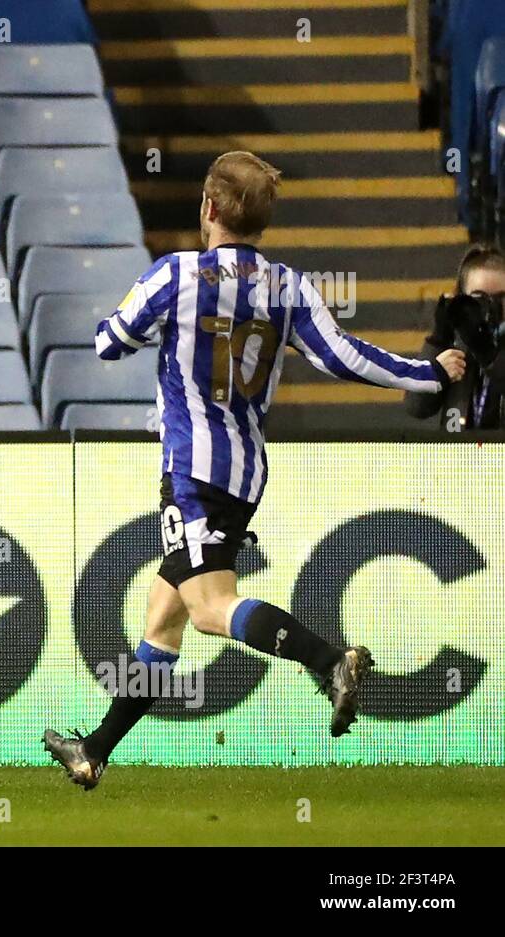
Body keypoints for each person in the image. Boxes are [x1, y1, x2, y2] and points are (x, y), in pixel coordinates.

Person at [44, 151, 467, 790]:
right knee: (165, 614)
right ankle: (94, 750)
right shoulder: (289, 287)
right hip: (245, 473)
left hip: (190, 471)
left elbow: (110, 341)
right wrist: (428, 371)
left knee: (211, 607)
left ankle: (330, 661)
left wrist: (130, 324)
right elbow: (346, 359)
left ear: (209, 208)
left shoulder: (176, 274)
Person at [404, 244, 505, 429]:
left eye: (501, 299)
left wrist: (488, 354)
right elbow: (417, 407)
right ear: (464, 300)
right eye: (480, 299)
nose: (491, 308)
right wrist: (439, 338)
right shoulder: (457, 348)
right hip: (459, 455)